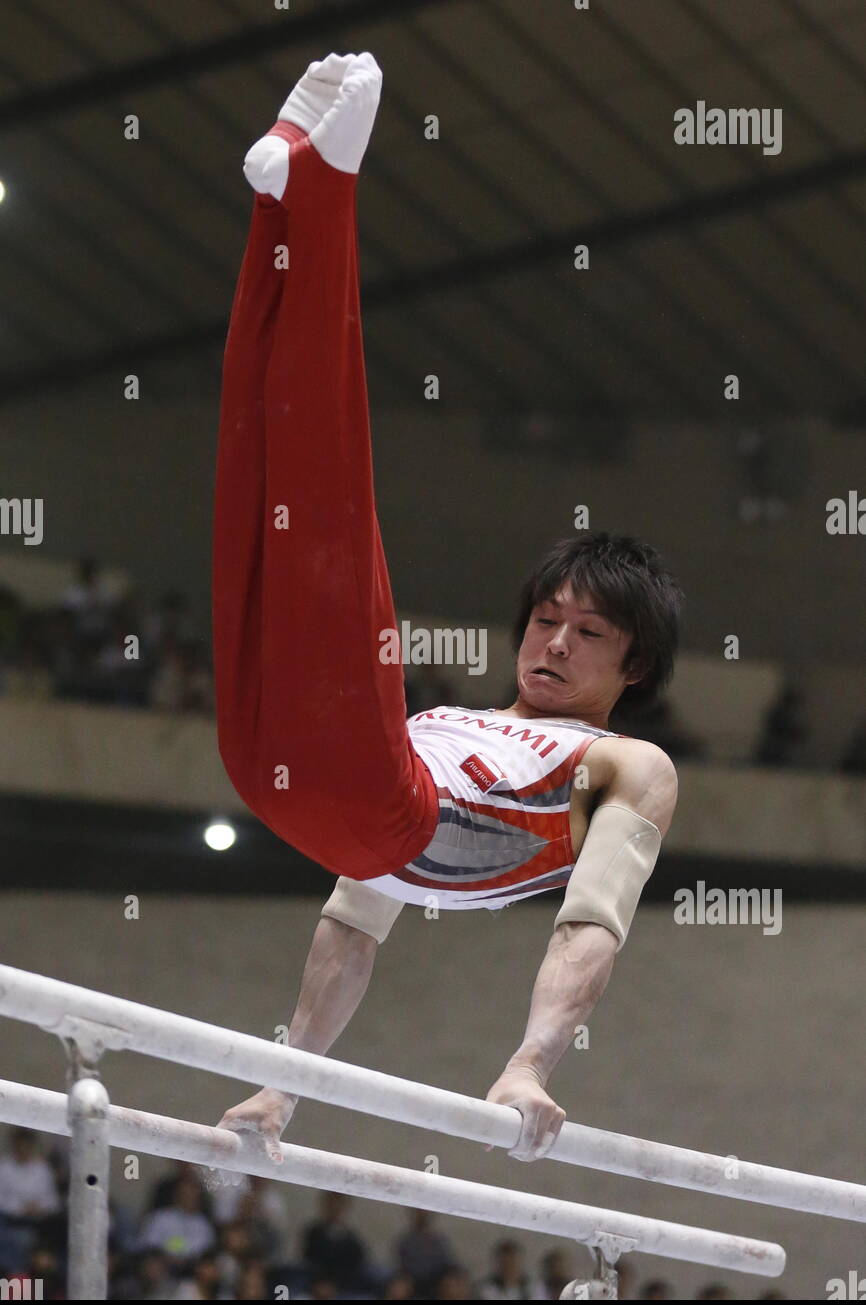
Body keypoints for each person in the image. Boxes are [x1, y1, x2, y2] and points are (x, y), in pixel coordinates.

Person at [209, 53, 680, 1177]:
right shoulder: (438, 726)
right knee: (264, 484)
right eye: (545, 618)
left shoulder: (625, 765)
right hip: (334, 788)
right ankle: (290, 197)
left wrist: (529, 1064)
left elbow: (589, 923)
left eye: (587, 632)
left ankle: (320, 194)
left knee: (314, 507)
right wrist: (288, 1080)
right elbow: (349, 927)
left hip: (360, 799)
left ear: (634, 664)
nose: (552, 640)